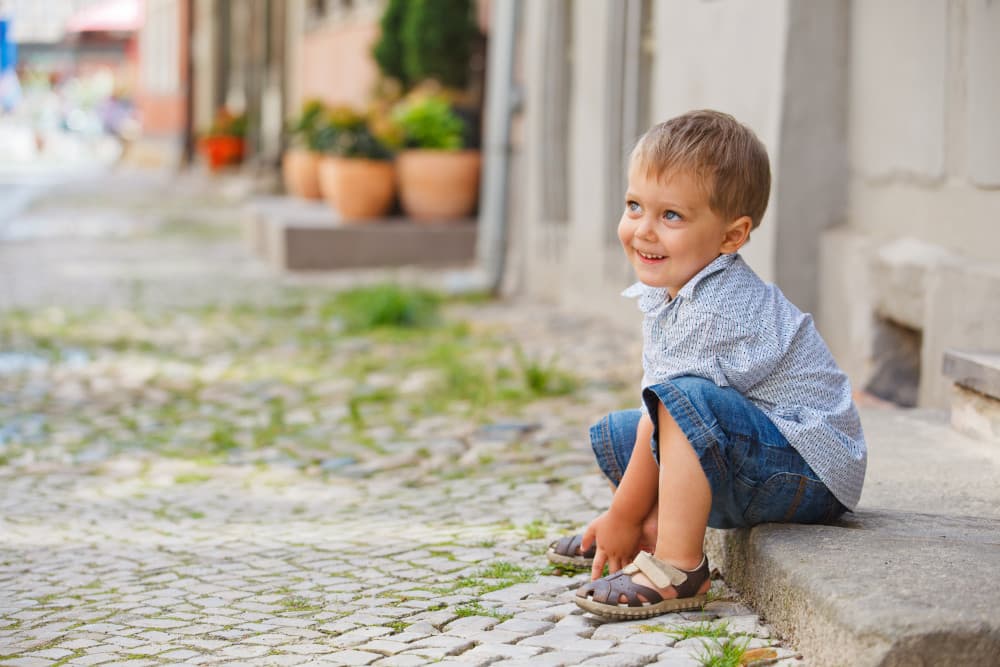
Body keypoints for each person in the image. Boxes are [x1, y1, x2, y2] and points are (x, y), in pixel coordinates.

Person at [547, 109, 867, 620]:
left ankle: (677, 565)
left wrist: (621, 512)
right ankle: (652, 532)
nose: (644, 231)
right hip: (758, 460)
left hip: (807, 472)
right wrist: (625, 515)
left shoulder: (718, 307)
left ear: (731, 236)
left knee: (680, 400)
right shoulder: (677, 288)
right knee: (619, 431)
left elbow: (674, 410)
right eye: (634, 206)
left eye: (671, 216)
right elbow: (658, 422)